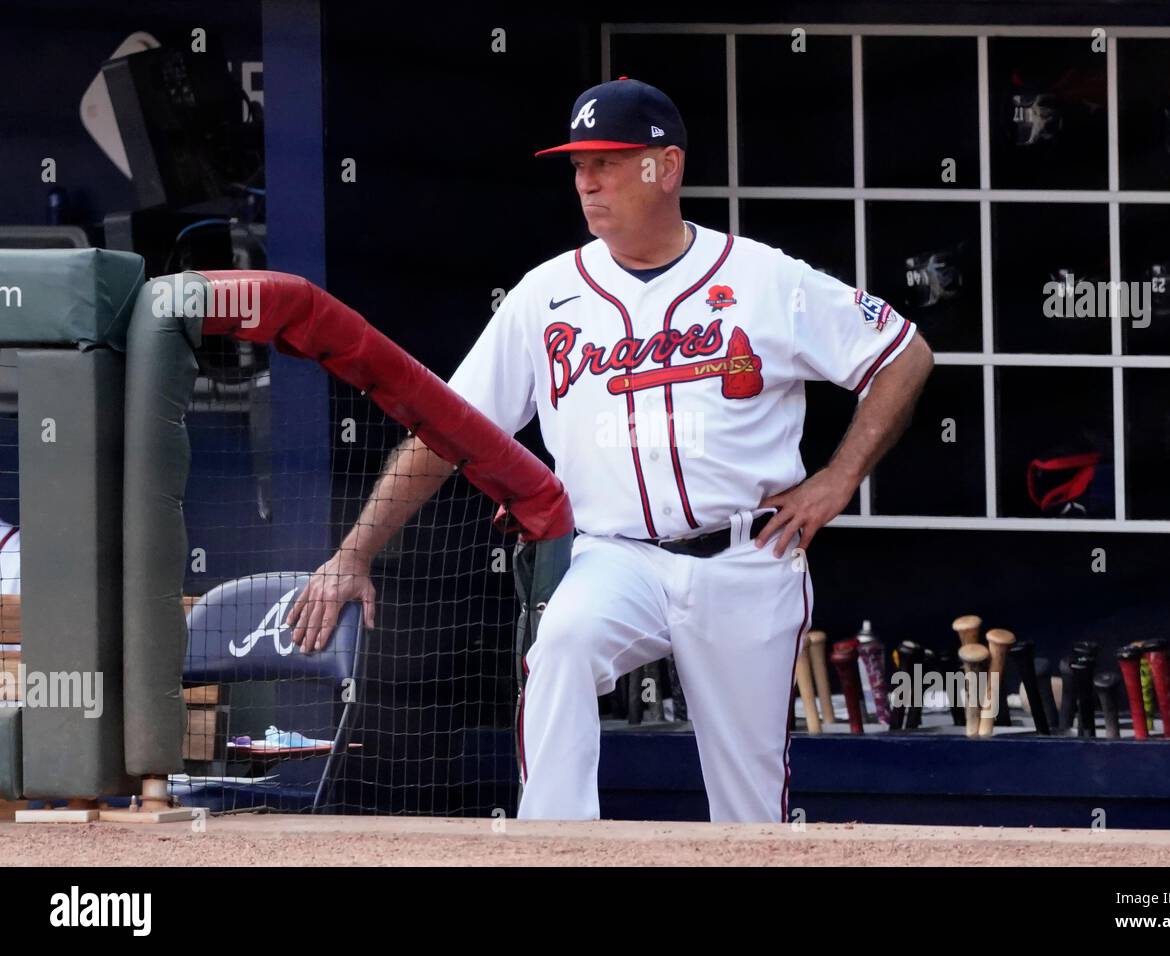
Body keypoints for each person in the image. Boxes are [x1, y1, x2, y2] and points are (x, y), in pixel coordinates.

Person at [287, 77, 932, 822]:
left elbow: (903, 354)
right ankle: (558, 851)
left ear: (668, 166)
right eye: (578, 165)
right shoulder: (546, 293)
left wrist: (837, 477)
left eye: (609, 161)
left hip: (745, 556)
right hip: (613, 554)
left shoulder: (765, 279)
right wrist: (355, 552)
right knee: (561, 646)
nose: (587, 181)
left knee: (750, 805)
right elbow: (448, 429)